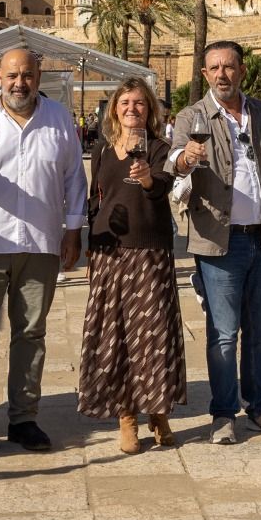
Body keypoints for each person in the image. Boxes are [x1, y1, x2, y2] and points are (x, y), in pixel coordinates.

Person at [0, 47, 88, 457]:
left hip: (40, 244)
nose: (19, 83)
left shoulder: (59, 118)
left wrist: (73, 232)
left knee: (31, 334)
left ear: (38, 76)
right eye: (11, 76)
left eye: (26, 75)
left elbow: (74, 178)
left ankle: (24, 418)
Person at [169, 40, 261, 445]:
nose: (222, 74)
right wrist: (186, 158)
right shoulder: (193, 116)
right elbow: (174, 164)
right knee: (223, 333)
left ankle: (259, 405)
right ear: (204, 74)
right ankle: (223, 414)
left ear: (241, 70)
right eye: (214, 68)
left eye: (229, 67)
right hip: (218, 241)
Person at [77, 77, 183, 454]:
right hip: (109, 252)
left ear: (149, 109)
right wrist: (91, 249)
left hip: (149, 253)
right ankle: (127, 416)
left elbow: (165, 185)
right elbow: (96, 202)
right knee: (118, 337)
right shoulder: (103, 151)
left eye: (139, 103)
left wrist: (149, 179)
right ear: (115, 110)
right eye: (125, 103)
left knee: (153, 337)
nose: (132, 109)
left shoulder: (159, 148)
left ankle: (158, 410)